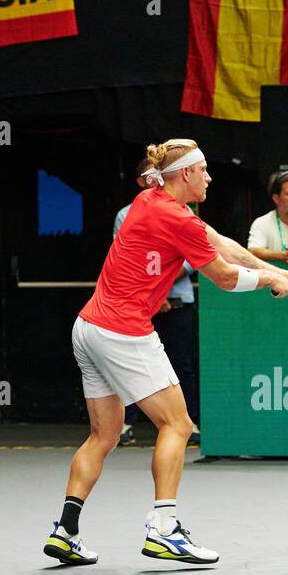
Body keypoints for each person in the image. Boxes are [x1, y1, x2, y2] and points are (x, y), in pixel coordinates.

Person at [43, 138, 288, 567]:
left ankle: (65, 530)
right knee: (177, 424)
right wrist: (267, 283)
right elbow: (223, 277)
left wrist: (275, 271)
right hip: (123, 332)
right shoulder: (181, 222)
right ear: (185, 175)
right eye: (203, 171)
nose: (210, 177)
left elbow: (225, 246)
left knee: (103, 436)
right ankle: (164, 530)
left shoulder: (149, 200)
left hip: (87, 328)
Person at [116, 159, 204, 448]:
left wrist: (165, 283)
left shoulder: (186, 213)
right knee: (133, 369)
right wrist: (158, 292)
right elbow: (129, 259)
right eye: (149, 177)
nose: (155, 180)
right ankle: (125, 424)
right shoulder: (127, 214)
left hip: (179, 303)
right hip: (142, 307)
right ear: (142, 182)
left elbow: (195, 258)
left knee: (181, 364)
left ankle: (188, 424)